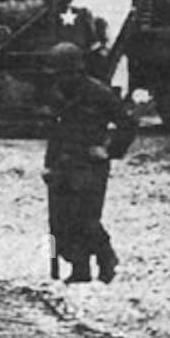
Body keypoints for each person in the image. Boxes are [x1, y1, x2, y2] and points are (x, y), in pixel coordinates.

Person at [43, 42, 129, 285]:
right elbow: (55, 133)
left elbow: (127, 123)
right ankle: (80, 270)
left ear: (79, 70)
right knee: (62, 221)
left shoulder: (98, 93)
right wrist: (48, 165)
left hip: (90, 165)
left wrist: (109, 150)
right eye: (60, 74)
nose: (64, 79)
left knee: (86, 219)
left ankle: (106, 257)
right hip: (63, 164)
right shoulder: (57, 94)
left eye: (68, 73)